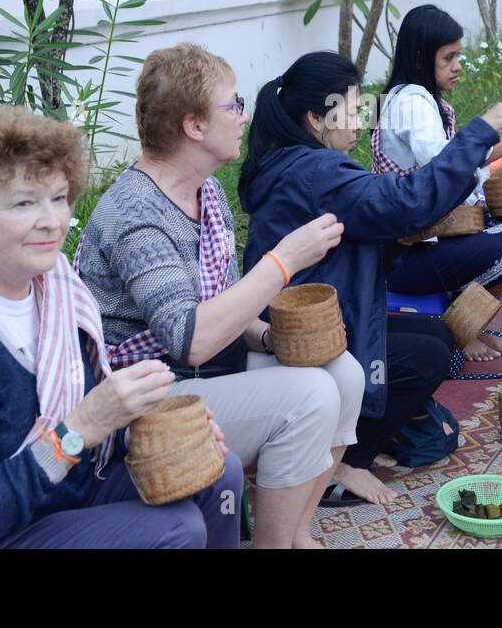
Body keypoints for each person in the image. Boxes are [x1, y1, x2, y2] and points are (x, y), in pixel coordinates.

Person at [0, 105, 244, 548]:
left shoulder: (53, 285)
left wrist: (149, 428)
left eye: (58, 197)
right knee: (176, 529)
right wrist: (80, 429)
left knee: (217, 472)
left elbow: (80, 419)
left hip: (55, 495)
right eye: (24, 202)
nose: (51, 220)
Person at [76, 43, 364, 544]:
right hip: (147, 403)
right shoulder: (136, 213)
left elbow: (226, 307)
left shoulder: (205, 191)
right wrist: (284, 261)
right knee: (309, 396)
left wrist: (271, 339)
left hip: (204, 373)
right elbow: (192, 339)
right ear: (195, 126)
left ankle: (293, 531)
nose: (244, 116)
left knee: (343, 373)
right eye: (232, 105)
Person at [239, 52, 502, 507]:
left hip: (322, 320)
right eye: (353, 112)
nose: (360, 124)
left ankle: (361, 435)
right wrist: (480, 132)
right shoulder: (317, 171)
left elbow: (379, 225)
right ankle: (335, 462)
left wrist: (401, 238)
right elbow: (407, 201)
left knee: (437, 336)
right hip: (300, 343)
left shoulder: (295, 162)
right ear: (316, 118)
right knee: (427, 356)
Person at [371, 4, 502, 362]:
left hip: (426, 237)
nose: (457, 65)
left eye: (457, 55)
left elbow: (452, 162)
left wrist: (501, 154)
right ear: (420, 59)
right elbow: (447, 169)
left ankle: (471, 321)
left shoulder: (420, 99)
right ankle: (462, 329)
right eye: (448, 57)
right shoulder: (412, 103)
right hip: (404, 256)